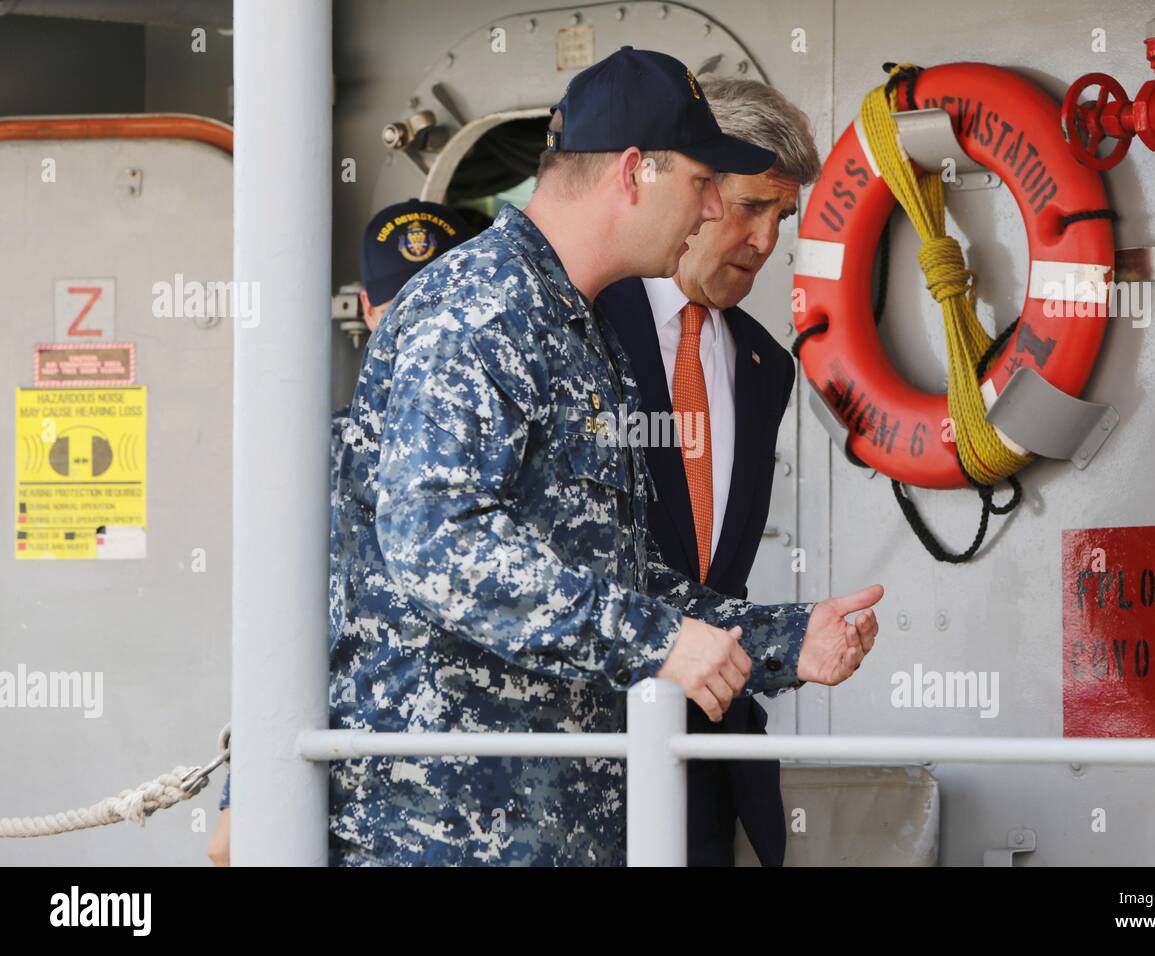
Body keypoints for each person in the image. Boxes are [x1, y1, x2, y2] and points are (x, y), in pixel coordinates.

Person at [328, 45, 884, 866]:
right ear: (636, 173)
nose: (708, 217)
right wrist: (657, 639)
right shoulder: (477, 309)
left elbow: (619, 572)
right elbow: (439, 544)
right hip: (442, 828)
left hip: (566, 824)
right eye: (703, 186)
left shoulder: (581, 333)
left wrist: (781, 639)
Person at [596, 76, 819, 867]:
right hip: (586, 772)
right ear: (694, 189)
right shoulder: (582, 328)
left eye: (781, 217)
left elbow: (711, 582)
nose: (766, 241)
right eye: (752, 207)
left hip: (712, 771)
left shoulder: (766, 367)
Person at [206, 199, 470, 867]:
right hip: (372, 814)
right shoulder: (323, 456)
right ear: (369, 311)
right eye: (398, 304)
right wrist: (246, 793)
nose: (418, 323)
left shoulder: (518, 446)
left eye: (437, 300)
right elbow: (290, 630)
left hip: (505, 806)